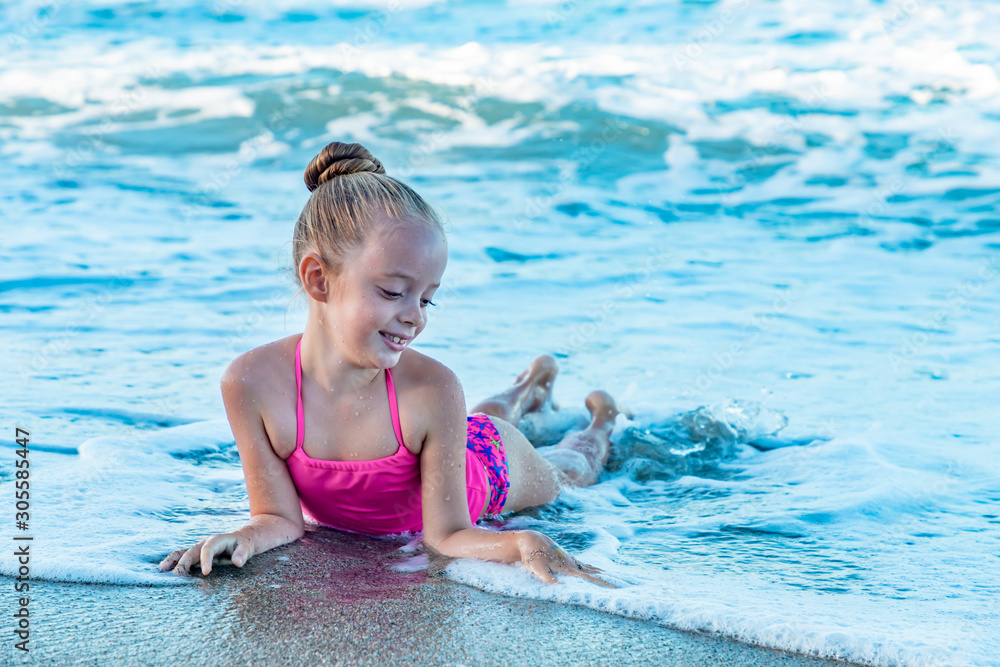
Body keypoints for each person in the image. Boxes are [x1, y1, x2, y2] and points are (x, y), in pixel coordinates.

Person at [158, 141, 620, 586]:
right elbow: (279, 517)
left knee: (568, 470)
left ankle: (602, 419)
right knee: (476, 419)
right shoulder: (250, 383)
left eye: (427, 300)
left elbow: (447, 536)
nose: (415, 316)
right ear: (318, 279)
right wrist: (241, 538)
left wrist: (524, 541)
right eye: (394, 293)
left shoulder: (434, 386)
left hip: (492, 465)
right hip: (450, 434)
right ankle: (530, 386)